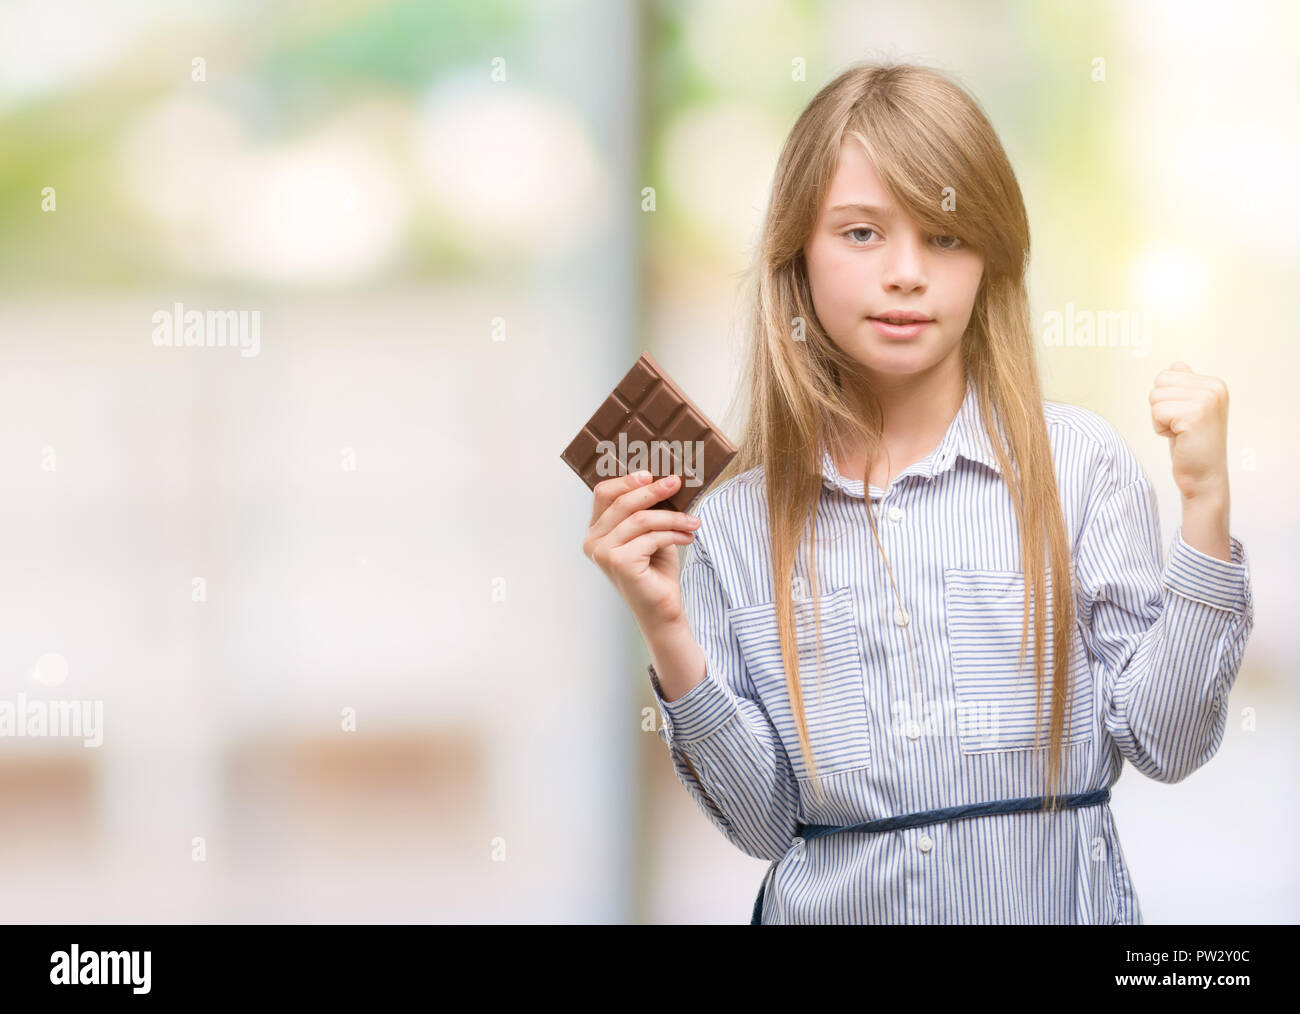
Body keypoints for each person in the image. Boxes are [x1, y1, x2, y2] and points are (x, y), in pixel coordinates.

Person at [582, 62, 1254, 924]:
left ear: (990, 257)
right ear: (796, 252)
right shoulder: (728, 523)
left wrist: (1206, 508)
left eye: (944, 236)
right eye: (861, 233)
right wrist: (664, 623)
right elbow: (760, 822)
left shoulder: (1079, 467)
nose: (905, 272)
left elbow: (1166, 741)